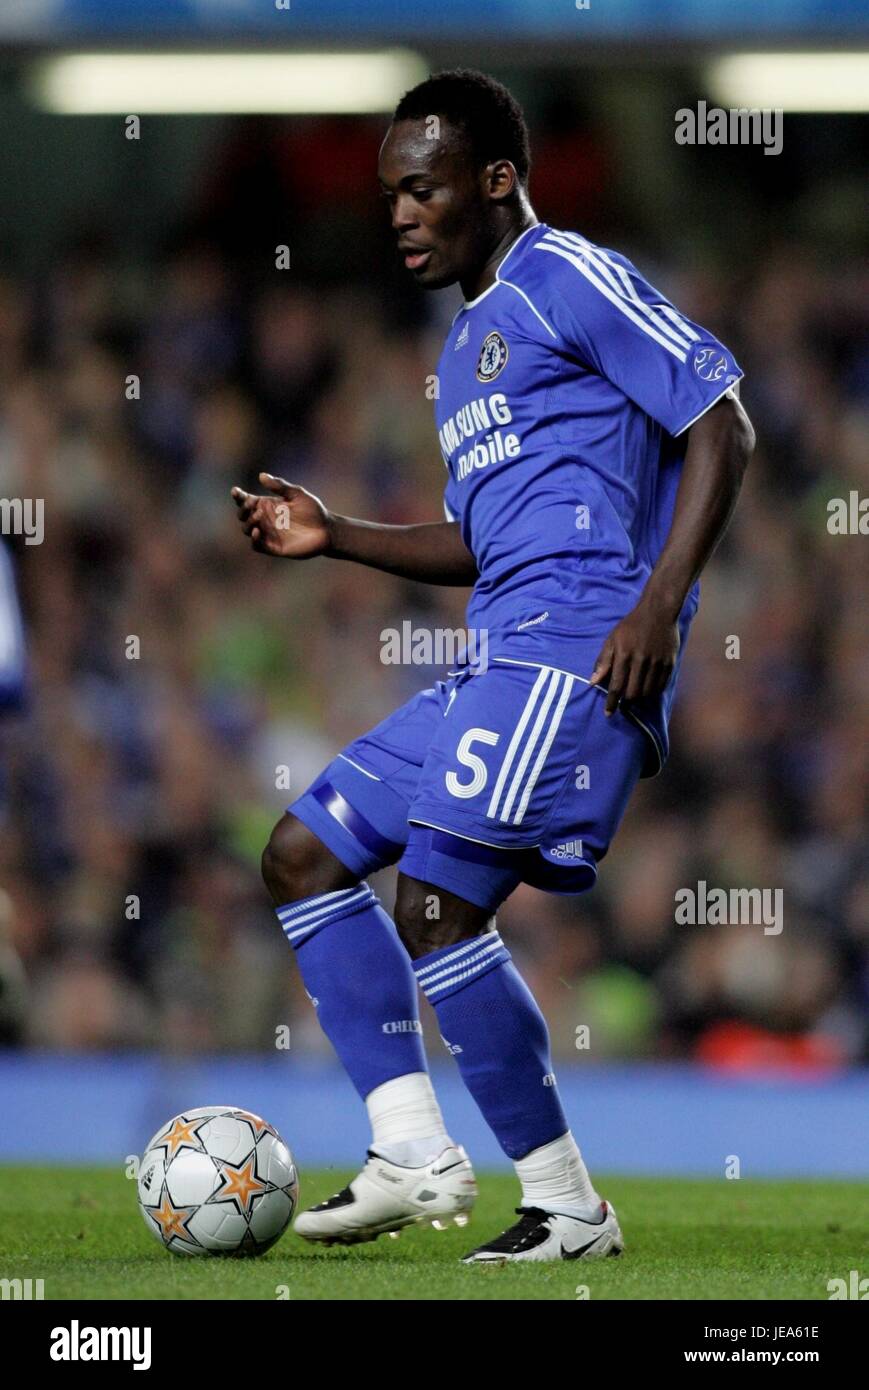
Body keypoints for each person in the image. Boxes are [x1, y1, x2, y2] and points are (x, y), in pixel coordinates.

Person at [232, 69, 755, 1263]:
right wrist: (335, 534)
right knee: (302, 853)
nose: (400, 214)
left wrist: (658, 604)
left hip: (576, 652)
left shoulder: (563, 272)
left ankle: (565, 1203)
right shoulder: (467, 340)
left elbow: (720, 412)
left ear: (496, 180)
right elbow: (482, 541)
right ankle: (410, 1147)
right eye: (388, 196)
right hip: (497, 657)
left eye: (421, 189)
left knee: (434, 899)